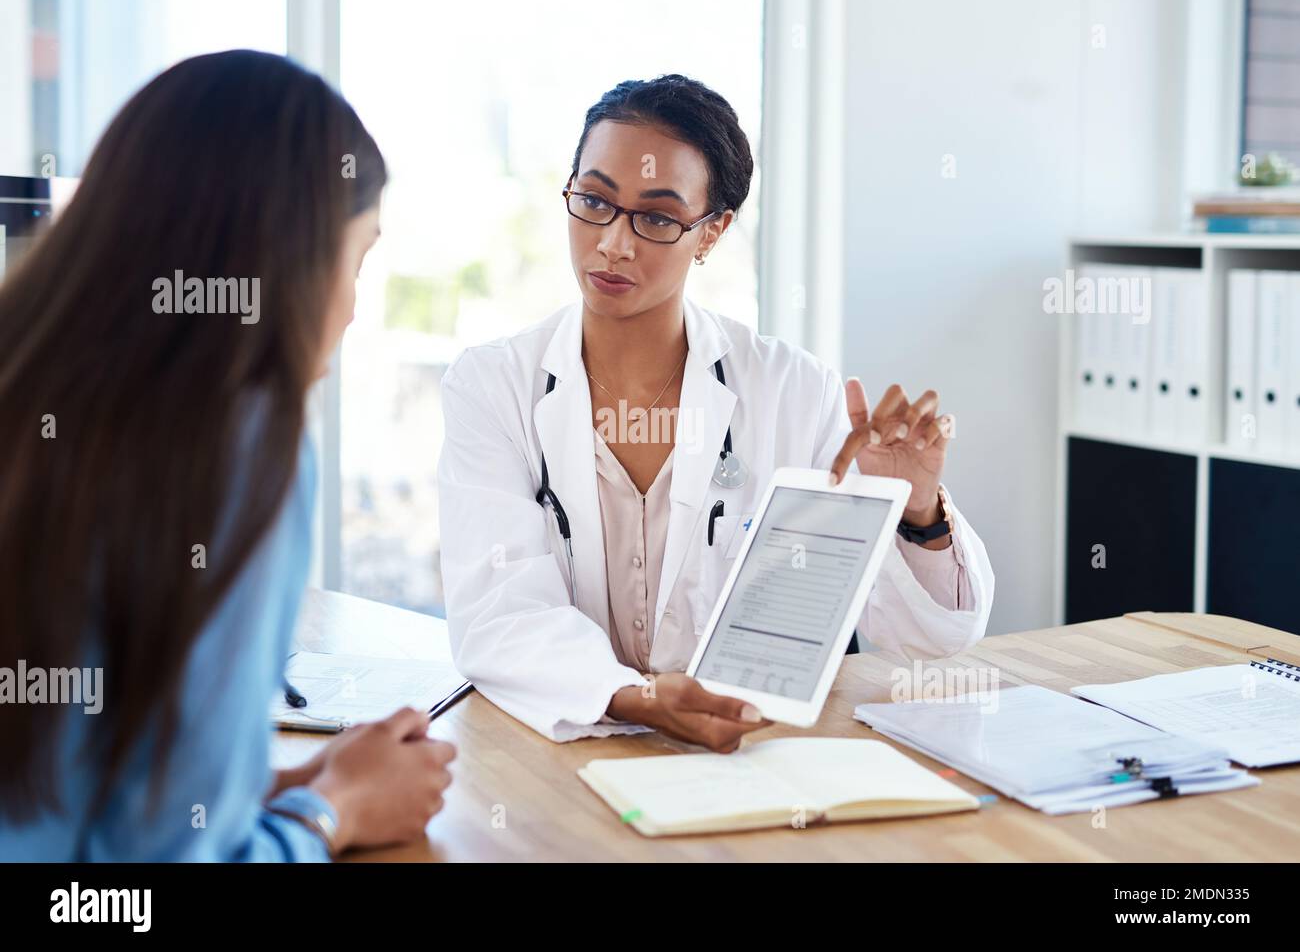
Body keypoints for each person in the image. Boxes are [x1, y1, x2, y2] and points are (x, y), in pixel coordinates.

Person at [438, 75, 995, 753]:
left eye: (657, 217)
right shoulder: (493, 385)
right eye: (594, 201)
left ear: (713, 231)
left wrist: (914, 506)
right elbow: (499, 613)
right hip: (569, 745)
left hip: (745, 756)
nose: (614, 243)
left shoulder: (792, 391)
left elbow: (930, 638)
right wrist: (634, 695)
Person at [0, 50, 454, 860]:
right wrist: (331, 814)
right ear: (294, 258)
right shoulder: (236, 441)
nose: (352, 308)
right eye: (358, 258)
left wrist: (263, 788)